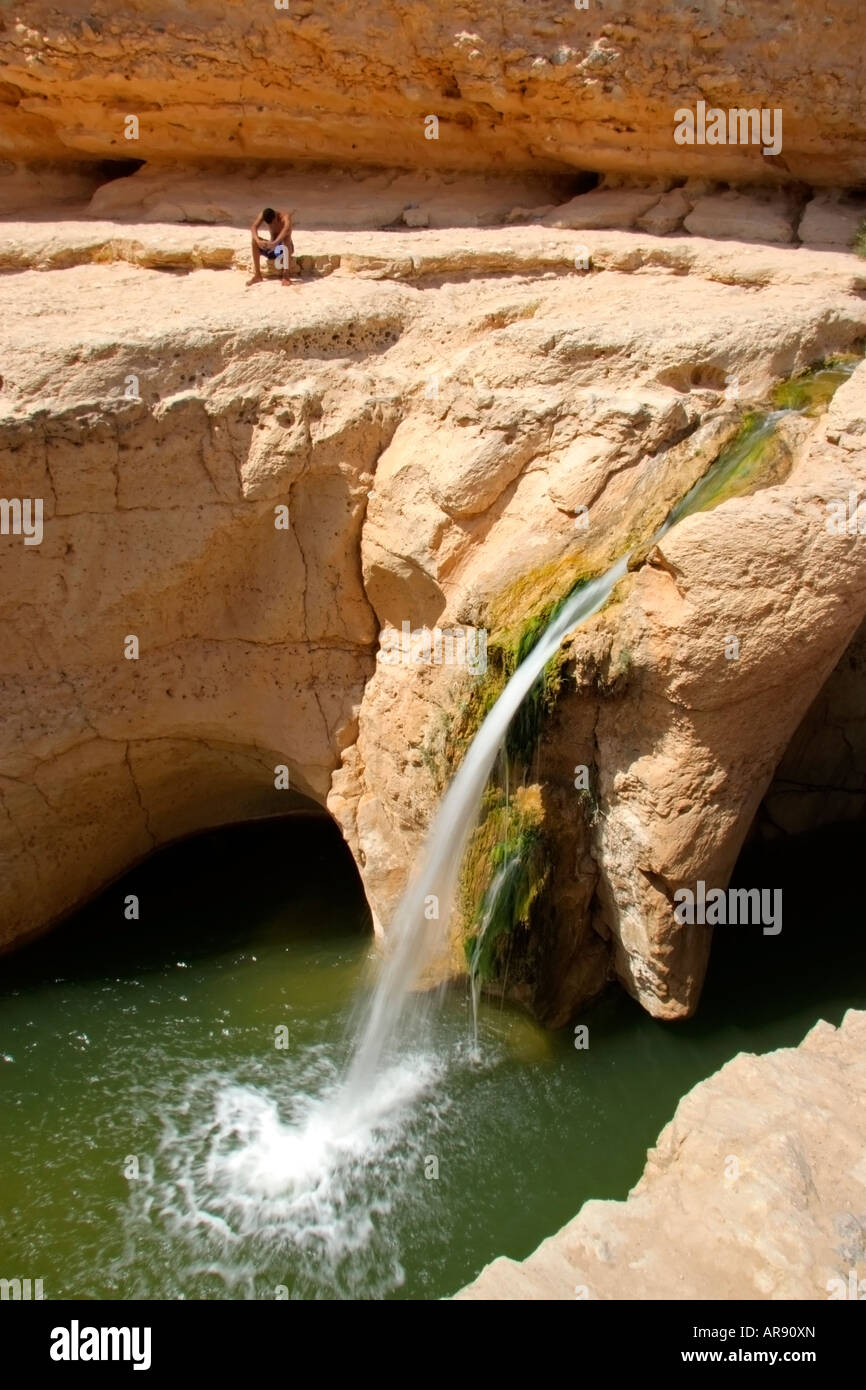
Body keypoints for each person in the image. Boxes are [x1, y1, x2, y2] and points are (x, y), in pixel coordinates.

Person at [247, 207, 294, 287]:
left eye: (273, 222)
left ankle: (286, 276)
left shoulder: (285, 217)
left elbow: (286, 230)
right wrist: (258, 241)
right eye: (269, 224)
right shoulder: (263, 214)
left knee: (286, 239)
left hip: (283, 249)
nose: (271, 225)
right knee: (254, 241)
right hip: (272, 248)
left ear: (276, 216)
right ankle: (258, 275)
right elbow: (253, 227)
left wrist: (275, 243)